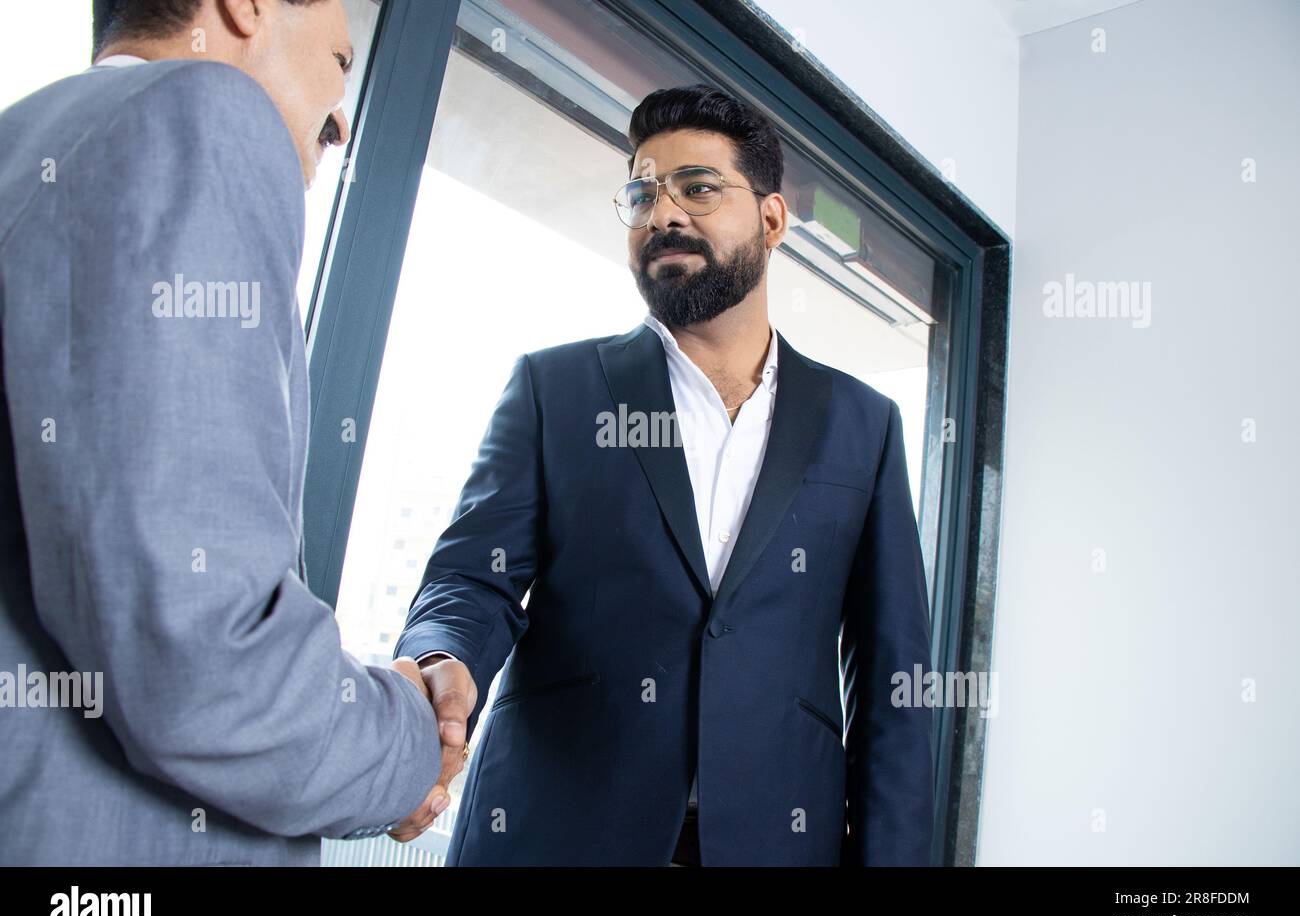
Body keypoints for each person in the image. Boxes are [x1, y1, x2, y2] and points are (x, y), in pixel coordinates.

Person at [395, 84, 935, 865]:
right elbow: (471, 579)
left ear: (773, 219)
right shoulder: (557, 389)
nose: (664, 214)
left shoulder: (864, 425)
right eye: (643, 193)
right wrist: (444, 662)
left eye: (699, 188)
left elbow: (894, 680)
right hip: (554, 828)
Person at [0, 0, 467, 865]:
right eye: (339, 62)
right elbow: (205, 658)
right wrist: (406, 735)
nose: (340, 116)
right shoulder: (199, 116)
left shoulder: (28, 145)